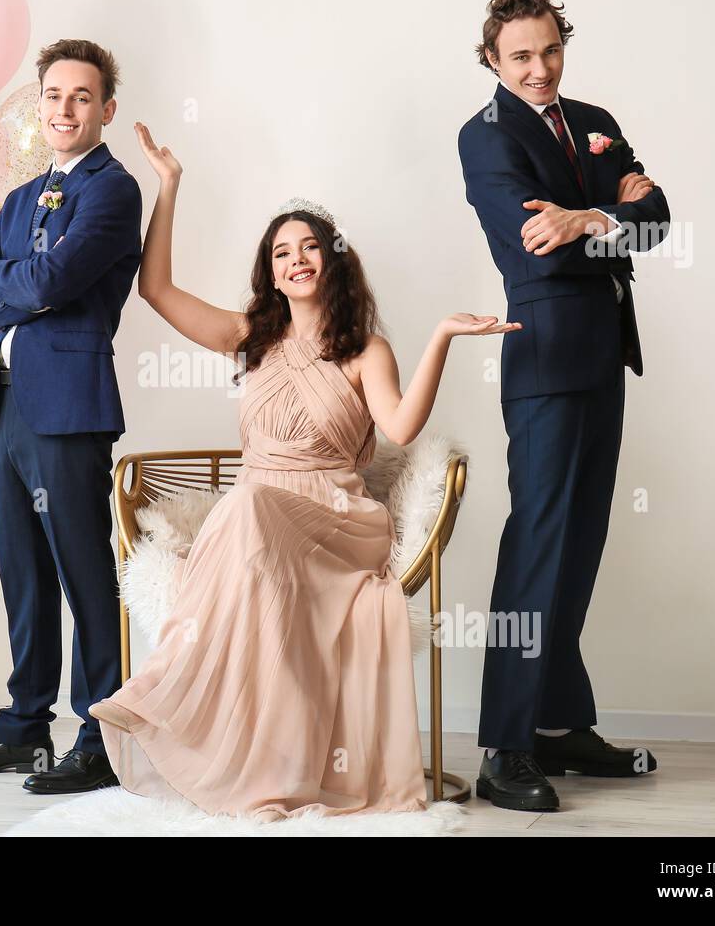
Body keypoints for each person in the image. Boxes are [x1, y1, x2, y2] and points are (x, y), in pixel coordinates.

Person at [87, 122, 518, 821]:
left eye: (309, 247)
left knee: (247, 508)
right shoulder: (250, 336)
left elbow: (402, 429)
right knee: (249, 510)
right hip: (260, 520)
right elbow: (157, 289)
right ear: (271, 270)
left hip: (340, 521)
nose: (296, 260)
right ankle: (242, 747)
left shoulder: (363, 349)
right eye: (282, 252)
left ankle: (164, 690)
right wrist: (169, 187)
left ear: (334, 259)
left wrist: (441, 336)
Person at [457, 0, 669, 811]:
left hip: (605, 355)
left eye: (550, 50)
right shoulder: (484, 137)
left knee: (581, 540)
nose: (539, 69)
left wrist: (589, 217)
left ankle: (557, 723)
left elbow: (658, 223)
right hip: (542, 357)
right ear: (491, 60)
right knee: (537, 543)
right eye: (520, 56)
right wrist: (606, 216)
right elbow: (536, 249)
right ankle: (503, 746)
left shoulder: (594, 116)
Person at [0, 39, 141, 795]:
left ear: (105, 109)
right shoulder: (23, 199)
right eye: (53, 95)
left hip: (69, 407)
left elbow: (52, 276)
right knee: (22, 571)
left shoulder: (114, 192)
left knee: (85, 572)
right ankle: (24, 728)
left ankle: (101, 732)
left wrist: (18, 280)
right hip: (8, 406)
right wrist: (28, 284)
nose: (64, 109)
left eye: (81, 97)